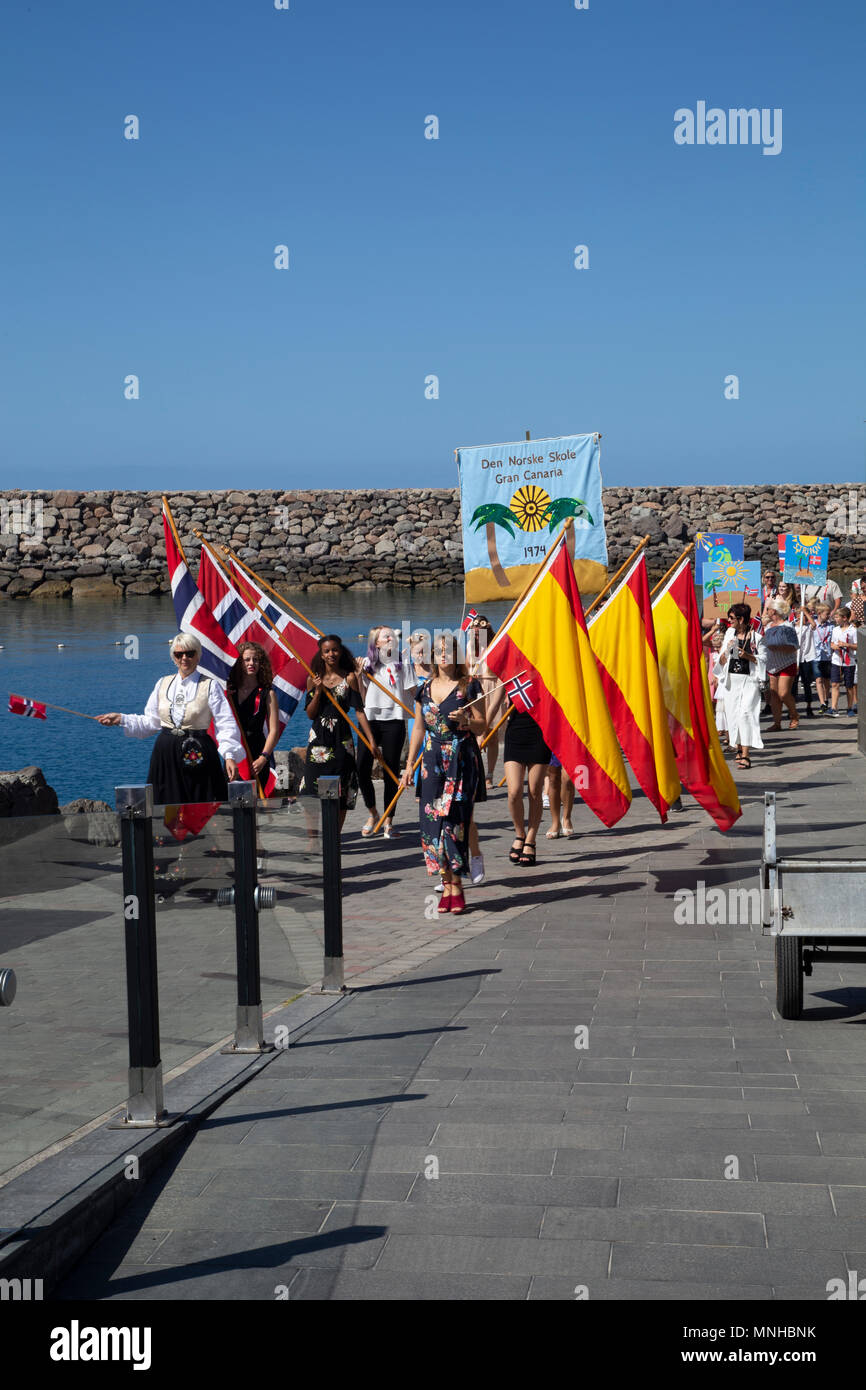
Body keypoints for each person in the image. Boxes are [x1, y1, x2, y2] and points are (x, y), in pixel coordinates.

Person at [96, 633, 241, 802]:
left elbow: (225, 722)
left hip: (198, 752)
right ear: (174, 657)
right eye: (179, 654)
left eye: (190, 653)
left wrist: (229, 755)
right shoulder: (162, 683)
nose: (184, 658)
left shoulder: (210, 685)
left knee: (201, 802)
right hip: (166, 754)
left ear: (198, 656)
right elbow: (151, 722)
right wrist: (120, 719)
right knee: (166, 806)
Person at [399, 634, 486, 915]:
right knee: (431, 821)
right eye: (439, 651)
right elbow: (418, 728)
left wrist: (467, 721)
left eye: (449, 650)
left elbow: (482, 725)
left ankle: (458, 884)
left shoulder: (469, 686)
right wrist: (409, 764)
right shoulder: (424, 689)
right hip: (431, 761)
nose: (444, 655)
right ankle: (445, 882)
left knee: (455, 820)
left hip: (461, 758)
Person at [301, 634, 379, 829]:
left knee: (341, 789)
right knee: (311, 789)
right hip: (318, 738)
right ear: (321, 653)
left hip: (341, 739)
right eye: (326, 651)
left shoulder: (349, 677)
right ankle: (313, 839)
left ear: (341, 651)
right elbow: (310, 714)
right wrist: (318, 692)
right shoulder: (313, 680)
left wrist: (371, 741)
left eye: (334, 650)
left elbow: (359, 711)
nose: (331, 654)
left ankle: (334, 836)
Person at [357, 625, 414, 839]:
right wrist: (358, 673)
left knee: (391, 770)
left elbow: (412, 689)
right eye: (385, 636)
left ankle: (388, 820)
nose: (391, 638)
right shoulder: (367, 663)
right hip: (371, 720)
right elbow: (361, 696)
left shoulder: (403, 661)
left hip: (395, 720)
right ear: (377, 643)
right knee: (361, 767)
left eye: (392, 635)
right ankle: (373, 813)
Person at [226, 642, 281, 792]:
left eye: (255, 660)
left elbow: (274, 731)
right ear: (239, 663)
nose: (252, 663)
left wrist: (264, 758)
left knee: (256, 801)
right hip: (234, 751)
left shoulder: (268, 694)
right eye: (247, 660)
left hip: (257, 753)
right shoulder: (229, 692)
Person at [716, 604, 765, 768]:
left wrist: (748, 656)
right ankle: (737, 748)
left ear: (741, 619)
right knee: (733, 716)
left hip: (749, 681)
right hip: (732, 682)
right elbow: (721, 661)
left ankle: (746, 754)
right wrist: (727, 650)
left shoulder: (756, 637)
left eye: (731, 619)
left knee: (745, 714)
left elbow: (763, 660)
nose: (729, 622)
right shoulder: (730, 634)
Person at [503, 702, 552, 867]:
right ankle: (520, 834)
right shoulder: (510, 676)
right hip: (514, 733)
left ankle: (530, 840)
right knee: (514, 792)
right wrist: (483, 727)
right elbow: (496, 702)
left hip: (540, 733)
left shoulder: (545, 676)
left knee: (534, 791)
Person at [466, 615, 505, 788]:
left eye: (478, 631)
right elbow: (466, 667)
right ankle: (475, 772)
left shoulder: (496, 644)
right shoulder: (470, 646)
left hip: (493, 686)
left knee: (492, 733)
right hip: (476, 687)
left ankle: (489, 774)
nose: (476, 634)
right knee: (475, 732)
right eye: (474, 631)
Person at [761, 599, 801, 731]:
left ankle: (794, 715)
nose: (766, 611)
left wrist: (777, 648)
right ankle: (777, 723)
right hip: (771, 664)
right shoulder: (767, 627)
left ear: (774, 611)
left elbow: (794, 646)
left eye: (768, 609)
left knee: (783, 693)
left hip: (786, 663)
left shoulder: (787, 627)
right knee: (774, 695)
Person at [829, 608, 858, 717]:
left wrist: (847, 645)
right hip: (836, 660)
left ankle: (849, 707)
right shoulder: (835, 630)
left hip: (849, 661)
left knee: (849, 685)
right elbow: (832, 643)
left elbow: (857, 646)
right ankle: (834, 708)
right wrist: (834, 646)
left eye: (837, 617)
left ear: (844, 618)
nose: (835, 619)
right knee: (835, 683)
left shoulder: (853, 630)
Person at [812, 604, 835, 714]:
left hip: (827, 656)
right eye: (827, 614)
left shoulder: (830, 626)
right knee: (818, 679)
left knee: (826, 680)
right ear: (820, 614)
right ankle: (822, 703)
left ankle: (826, 699)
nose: (828, 616)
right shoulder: (813, 625)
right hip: (816, 656)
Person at [546, 756, 576, 838]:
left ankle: (566, 818)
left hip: (571, 743)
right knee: (553, 777)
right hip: (553, 743)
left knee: (568, 778)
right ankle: (555, 822)